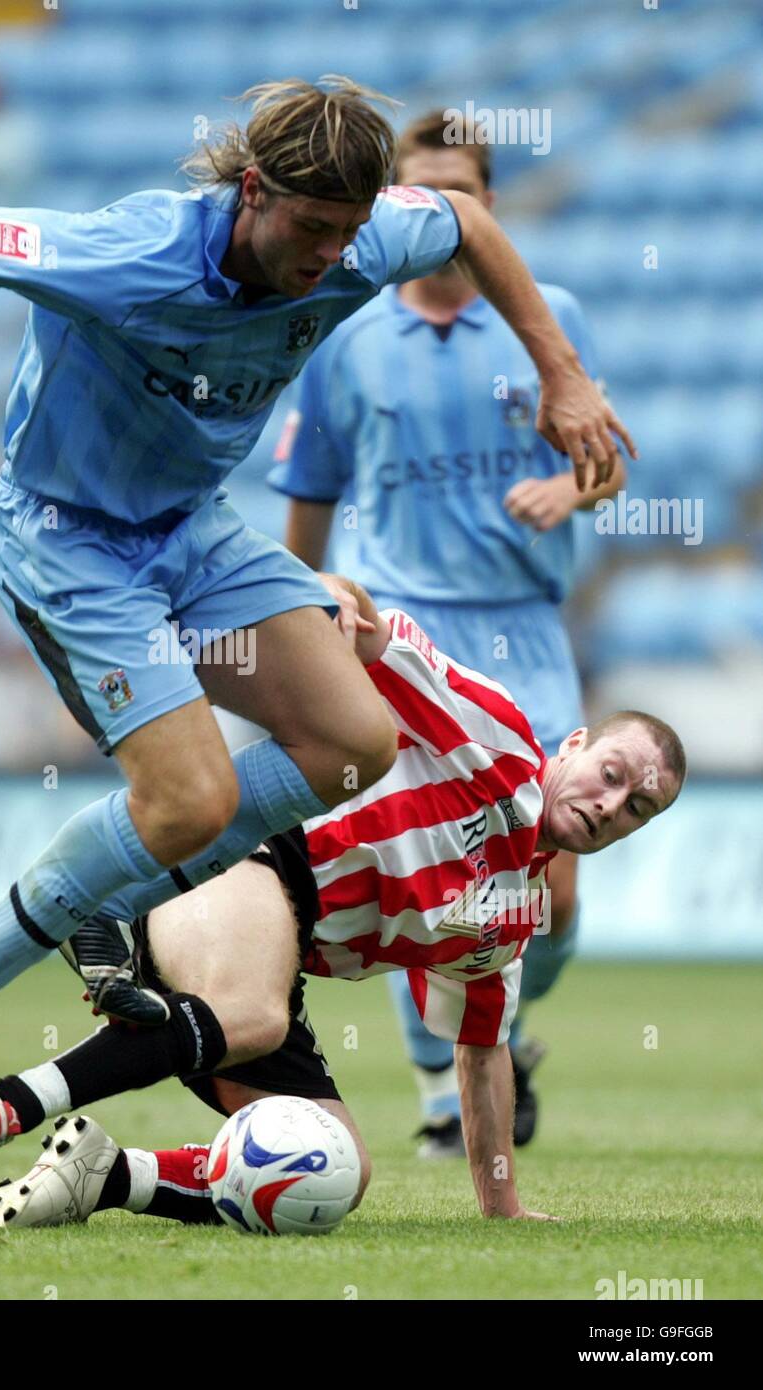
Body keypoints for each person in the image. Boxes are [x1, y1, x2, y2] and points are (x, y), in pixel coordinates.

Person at [0, 78, 633, 1107]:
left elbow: (470, 221)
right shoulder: (131, 252)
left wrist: (562, 373)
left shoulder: (362, 240)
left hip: (193, 526)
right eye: (312, 227)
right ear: (255, 190)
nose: (329, 256)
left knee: (356, 742)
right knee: (192, 799)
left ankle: (110, 897)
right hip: (69, 537)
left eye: (348, 231)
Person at [0, 584, 684, 1232]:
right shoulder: (499, 735)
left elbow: (482, 1051)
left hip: (276, 953)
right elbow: (373, 628)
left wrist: (503, 1207)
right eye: (611, 774)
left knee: (333, 1171)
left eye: (636, 809)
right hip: (257, 849)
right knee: (255, 1016)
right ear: (575, 744)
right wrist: (325, 593)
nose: (610, 805)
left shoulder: (509, 923)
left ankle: (109, 1176)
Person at [268, 109, 625, 1155]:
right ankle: (442, 1082)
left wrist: (572, 488)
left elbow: (607, 458)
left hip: (522, 627)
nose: (436, 214)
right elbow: (308, 493)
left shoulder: (548, 318)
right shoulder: (345, 332)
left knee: (549, 890)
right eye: (413, 195)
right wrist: (305, 609)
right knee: (420, 862)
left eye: (456, 195)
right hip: (400, 635)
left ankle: (504, 1026)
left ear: (487, 208)